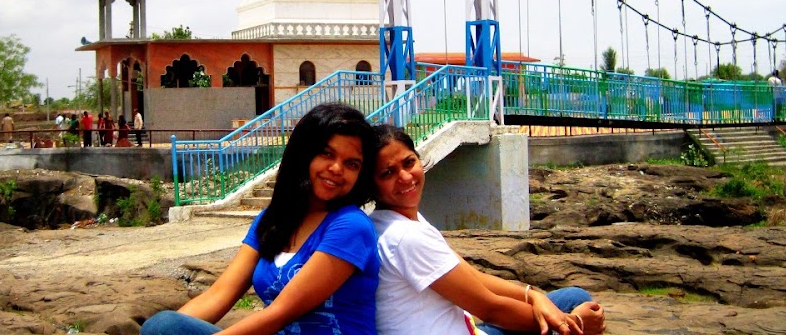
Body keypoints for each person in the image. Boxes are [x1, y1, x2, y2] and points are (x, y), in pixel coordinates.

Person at [140, 103, 380, 335]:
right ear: (304, 154)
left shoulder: (351, 226)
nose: (337, 169)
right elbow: (219, 294)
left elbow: (279, 313)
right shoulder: (274, 219)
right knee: (164, 326)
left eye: (351, 164)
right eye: (327, 154)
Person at [370, 125, 604, 335]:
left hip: (466, 327)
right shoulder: (406, 237)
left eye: (409, 163)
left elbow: (474, 276)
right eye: (388, 173)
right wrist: (571, 323)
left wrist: (533, 295)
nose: (405, 177)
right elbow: (490, 309)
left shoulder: (391, 221)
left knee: (571, 297)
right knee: (577, 302)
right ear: (371, 185)